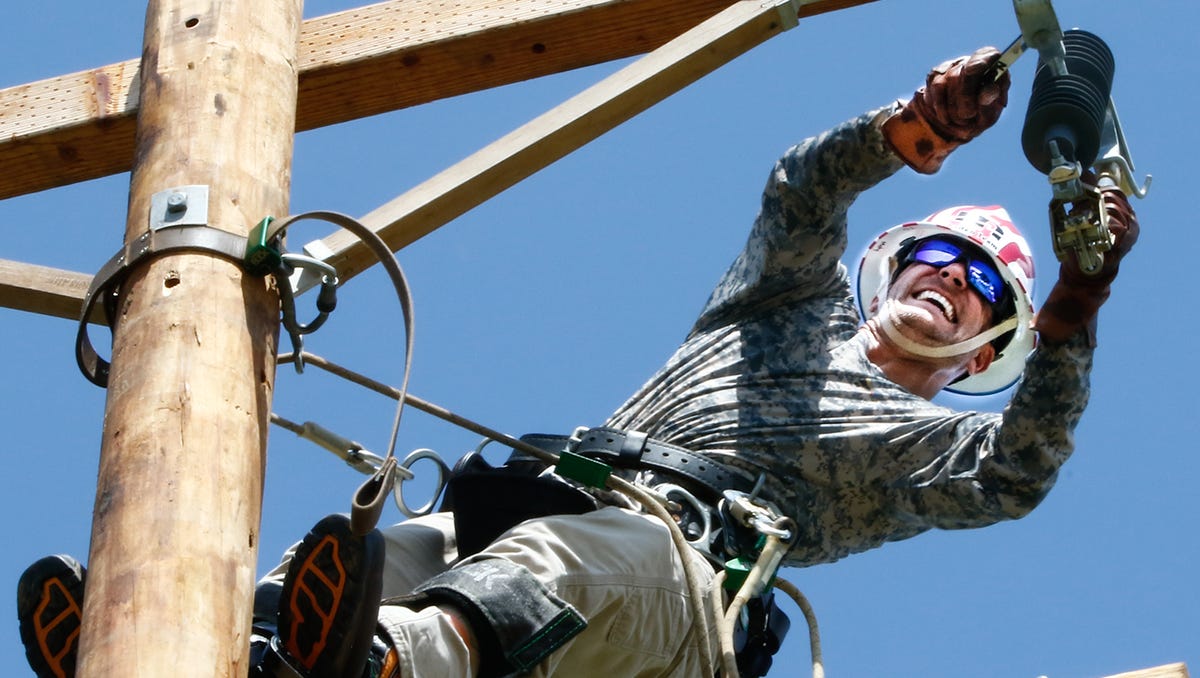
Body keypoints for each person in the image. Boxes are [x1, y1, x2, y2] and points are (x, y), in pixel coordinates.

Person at [17, 45, 1138, 678]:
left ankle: (385, 670)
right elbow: (805, 192)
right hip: (549, 505)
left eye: (982, 291)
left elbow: (1014, 477)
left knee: (581, 551)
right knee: (405, 547)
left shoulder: (933, 443)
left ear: (987, 346)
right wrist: (913, 129)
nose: (952, 283)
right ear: (894, 265)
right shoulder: (775, 314)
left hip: (679, 593)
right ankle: (200, 656)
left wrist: (1075, 311)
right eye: (941, 258)